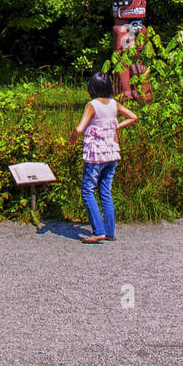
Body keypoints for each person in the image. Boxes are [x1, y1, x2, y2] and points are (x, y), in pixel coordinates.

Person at [70, 72, 138, 244]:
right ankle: (110, 232)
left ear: (92, 88)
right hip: (112, 153)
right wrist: (116, 127)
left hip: (96, 155)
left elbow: (80, 128)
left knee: (87, 190)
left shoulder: (92, 105)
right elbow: (133, 117)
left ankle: (98, 230)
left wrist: (73, 136)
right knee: (105, 191)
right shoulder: (114, 104)